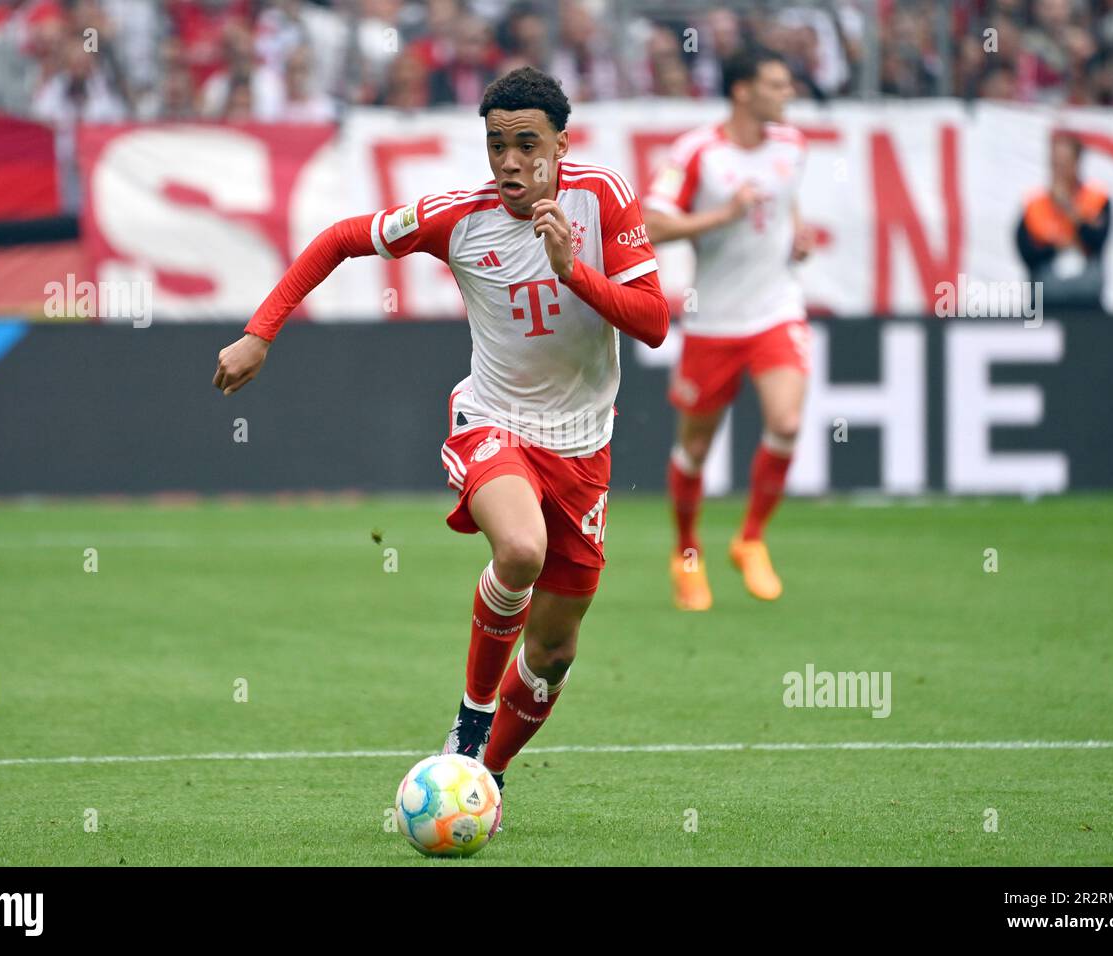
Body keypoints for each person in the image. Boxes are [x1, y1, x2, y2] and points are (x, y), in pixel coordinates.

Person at [211, 67, 669, 792]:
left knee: (552, 652)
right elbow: (338, 239)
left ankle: (483, 777)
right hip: (494, 421)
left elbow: (653, 323)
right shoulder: (457, 216)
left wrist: (572, 270)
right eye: (496, 146)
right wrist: (260, 333)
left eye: (528, 145)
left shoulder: (603, 197)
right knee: (520, 549)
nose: (512, 162)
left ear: (562, 144)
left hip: (584, 447)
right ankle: (471, 719)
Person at [644, 48, 813, 611]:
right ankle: (687, 554)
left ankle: (751, 539)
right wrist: (723, 216)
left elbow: (787, 202)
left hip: (776, 308)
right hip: (714, 319)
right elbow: (652, 224)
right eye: (776, 83)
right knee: (694, 448)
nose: (787, 94)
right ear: (743, 91)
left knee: (786, 421)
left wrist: (797, 232)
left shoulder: (792, 145)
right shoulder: (698, 152)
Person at [1016, 132, 1111, 312]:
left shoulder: (1097, 199)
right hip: (1045, 303)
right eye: (1055, 163)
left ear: (1076, 163)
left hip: (1087, 303)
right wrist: (1057, 248)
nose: (1059, 170)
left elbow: (1097, 241)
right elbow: (1026, 253)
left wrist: (1068, 208)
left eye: (1064, 163)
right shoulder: (1035, 204)